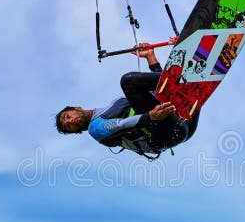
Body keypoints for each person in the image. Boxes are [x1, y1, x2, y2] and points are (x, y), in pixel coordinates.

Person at [55, 44, 199, 158]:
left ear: (76, 108)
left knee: (191, 86)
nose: (70, 121)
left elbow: (159, 92)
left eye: (67, 116)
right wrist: (150, 117)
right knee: (128, 82)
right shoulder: (95, 129)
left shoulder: (114, 105)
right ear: (77, 132)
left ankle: (189, 75)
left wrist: (151, 58)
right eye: (68, 127)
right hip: (164, 134)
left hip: (181, 125)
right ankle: (182, 75)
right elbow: (121, 125)